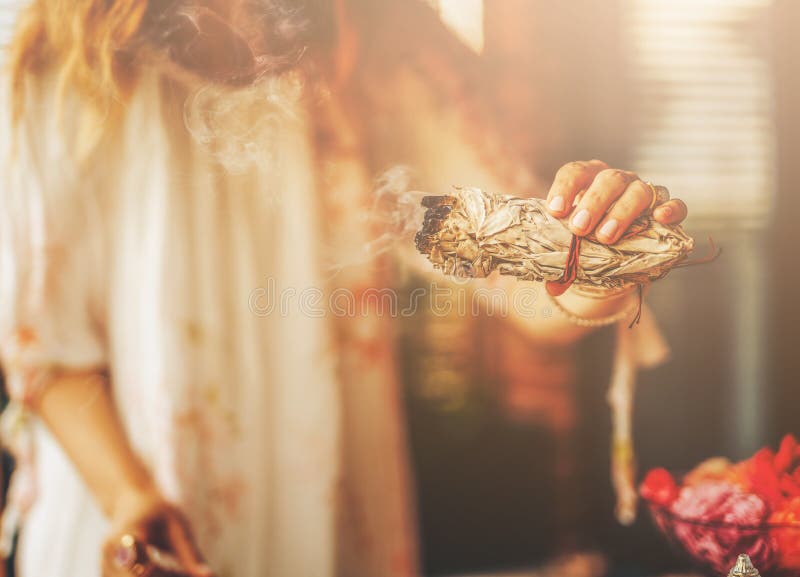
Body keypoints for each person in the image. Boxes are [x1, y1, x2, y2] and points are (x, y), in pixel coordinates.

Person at [0, 1, 689, 576]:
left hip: (328, 518)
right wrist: (128, 495)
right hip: (123, 522)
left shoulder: (379, 40)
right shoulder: (58, 58)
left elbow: (532, 285)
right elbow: (44, 342)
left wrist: (593, 249)